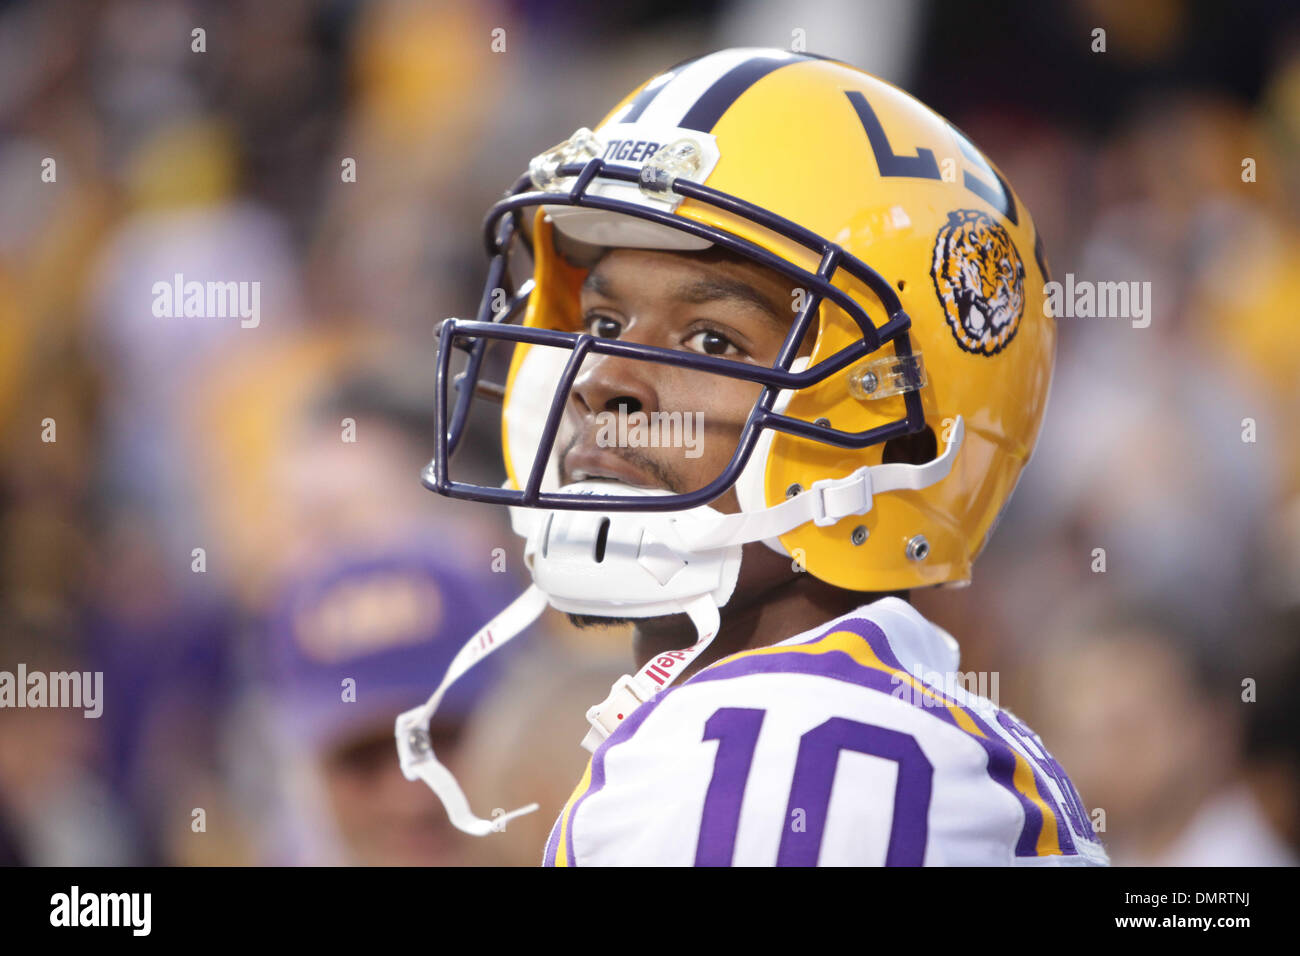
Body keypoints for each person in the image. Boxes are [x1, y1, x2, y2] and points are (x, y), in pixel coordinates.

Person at [397, 48, 1108, 866]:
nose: (601, 383)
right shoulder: (863, 723)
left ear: (898, 441)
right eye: (602, 327)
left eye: (710, 339)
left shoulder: (774, 756)